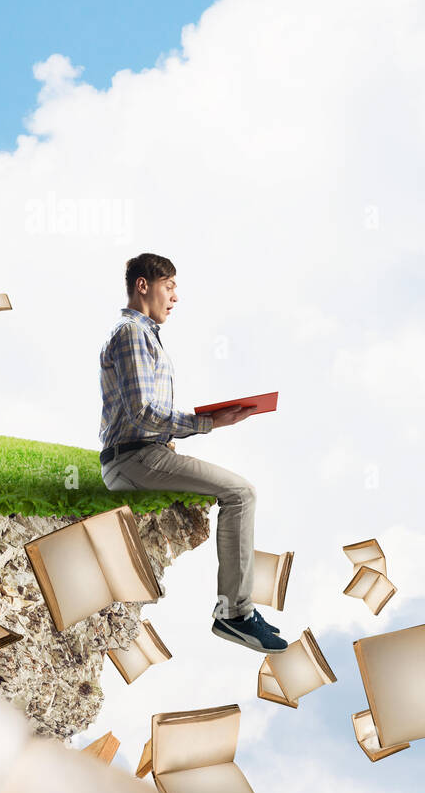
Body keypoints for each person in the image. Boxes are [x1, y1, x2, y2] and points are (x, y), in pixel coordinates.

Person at [98, 253, 287, 654]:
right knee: (241, 493)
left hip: (143, 453)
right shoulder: (131, 333)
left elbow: (145, 415)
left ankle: (237, 610)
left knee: (238, 490)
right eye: (170, 286)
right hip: (132, 460)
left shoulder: (144, 335)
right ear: (143, 285)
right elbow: (144, 412)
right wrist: (210, 422)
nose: (175, 297)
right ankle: (234, 614)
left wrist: (201, 423)